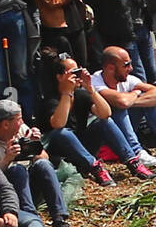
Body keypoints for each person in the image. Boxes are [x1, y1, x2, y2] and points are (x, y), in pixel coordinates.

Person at [37, 50, 148, 186]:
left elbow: (106, 114)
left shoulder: (80, 94)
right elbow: (58, 124)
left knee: (104, 122)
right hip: (62, 155)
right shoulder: (50, 100)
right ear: (60, 77)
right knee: (62, 133)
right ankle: (95, 168)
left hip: (83, 147)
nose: (78, 76)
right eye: (74, 73)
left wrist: (90, 89)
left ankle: (132, 161)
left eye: (79, 71)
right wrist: (66, 93)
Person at [0, 100, 74, 227]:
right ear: (6, 124)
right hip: (7, 195)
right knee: (17, 170)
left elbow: (44, 158)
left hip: (31, 186)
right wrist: (7, 159)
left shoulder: (22, 130)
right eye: (18, 119)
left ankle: (59, 220)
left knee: (43, 165)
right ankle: (33, 220)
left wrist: (35, 146)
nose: (22, 122)